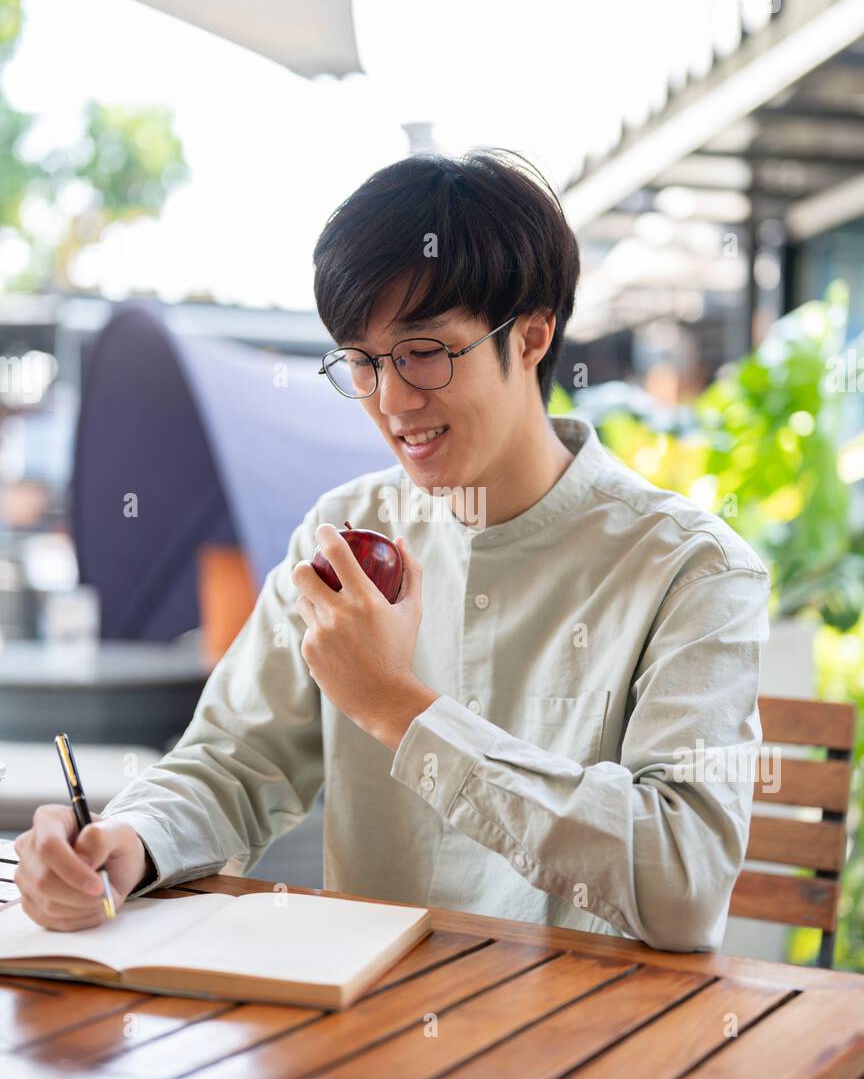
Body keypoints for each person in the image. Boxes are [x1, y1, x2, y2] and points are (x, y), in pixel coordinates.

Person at [14, 149, 770, 950]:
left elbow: (684, 880)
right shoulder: (345, 534)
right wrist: (126, 846)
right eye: (363, 362)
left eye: (424, 353)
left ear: (534, 335)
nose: (392, 401)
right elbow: (234, 764)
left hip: (591, 1040)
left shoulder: (691, 570)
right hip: (366, 1024)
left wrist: (399, 709)